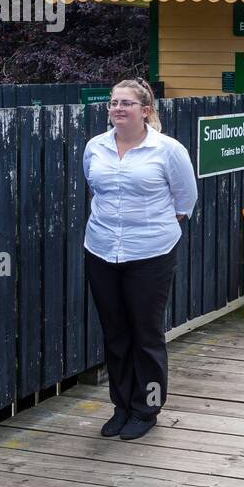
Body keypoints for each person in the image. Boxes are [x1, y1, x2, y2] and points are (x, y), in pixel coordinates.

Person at [82, 78, 197, 440]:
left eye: (126, 103)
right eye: (113, 103)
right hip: (101, 249)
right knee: (115, 333)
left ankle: (146, 409)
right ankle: (122, 406)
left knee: (145, 333)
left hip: (150, 253)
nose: (117, 108)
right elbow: (94, 187)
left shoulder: (168, 150)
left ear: (144, 110)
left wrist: (148, 228)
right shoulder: (95, 147)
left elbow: (184, 202)